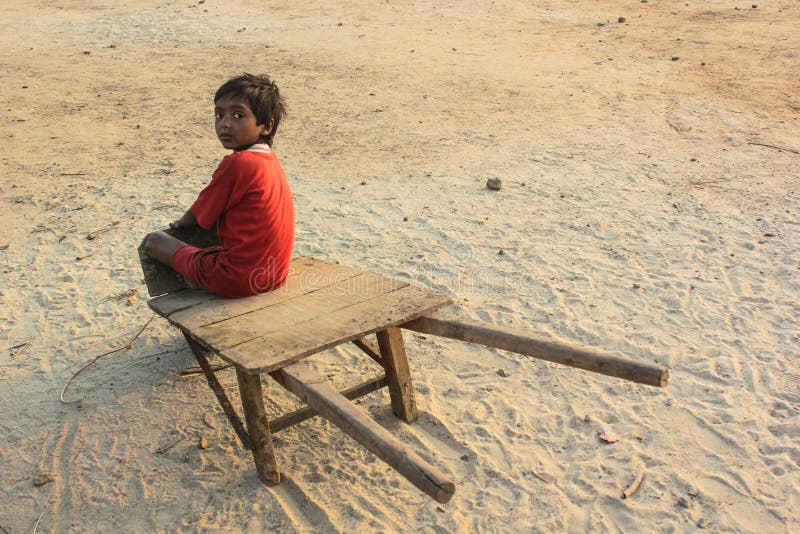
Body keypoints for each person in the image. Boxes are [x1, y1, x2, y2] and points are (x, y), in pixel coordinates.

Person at [142, 73, 294, 298]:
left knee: (154, 241)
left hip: (237, 280)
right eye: (218, 115)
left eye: (237, 115)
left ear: (266, 126)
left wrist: (179, 224)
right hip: (274, 276)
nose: (225, 124)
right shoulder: (270, 160)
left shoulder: (238, 163)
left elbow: (194, 218)